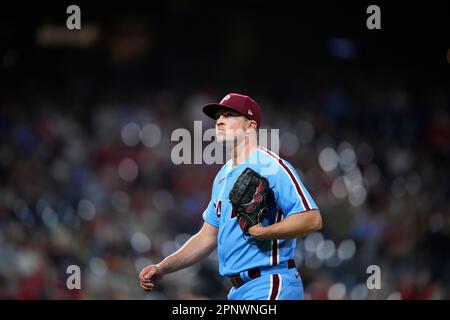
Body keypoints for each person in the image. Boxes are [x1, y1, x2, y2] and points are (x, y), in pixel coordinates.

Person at [139, 93, 322, 300]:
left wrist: (265, 232)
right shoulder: (222, 176)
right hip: (238, 291)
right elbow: (207, 237)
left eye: (229, 115)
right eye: (218, 116)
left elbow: (312, 218)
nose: (220, 120)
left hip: (270, 282)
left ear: (251, 125)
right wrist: (163, 268)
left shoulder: (271, 166)